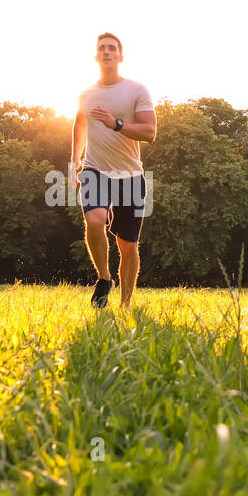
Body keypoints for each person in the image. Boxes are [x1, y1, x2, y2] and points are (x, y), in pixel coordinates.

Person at [71, 32, 157, 309]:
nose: (107, 52)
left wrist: (116, 124)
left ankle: (125, 305)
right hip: (95, 169)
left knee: (128, 246)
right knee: (94, 221)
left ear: (120, 56)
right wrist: (75, 159)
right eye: (102, 49)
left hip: (130, 176)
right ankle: (104, 278)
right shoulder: (85, 93)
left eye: (112, 48)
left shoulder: (136, 90)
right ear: (96, 56)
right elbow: (80, 123)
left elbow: (150, 132)